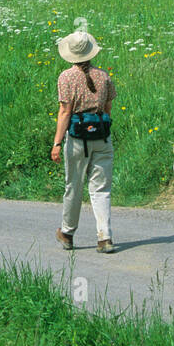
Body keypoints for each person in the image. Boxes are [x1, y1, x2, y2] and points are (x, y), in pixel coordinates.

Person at [50, 29, 116, 254]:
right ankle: (104, 237)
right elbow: (107, 108)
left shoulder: (66, 77)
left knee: (74, 187)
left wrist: (57, 143)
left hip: (78, 140)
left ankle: (67, 233)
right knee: (101, 189)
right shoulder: (104, 76)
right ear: (91, 52)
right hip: (102, 138)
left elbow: (65, 112)